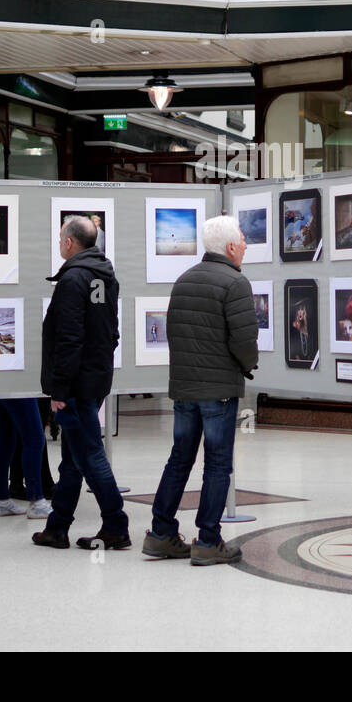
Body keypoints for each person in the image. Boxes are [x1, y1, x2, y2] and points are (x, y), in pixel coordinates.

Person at [143, 216, 258, 566]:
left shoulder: (184, 280)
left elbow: (174, 334)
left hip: (184, 389)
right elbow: (243, 339)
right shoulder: (235, 283)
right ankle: (208, 539)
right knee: (218, 464)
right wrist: (246, 365)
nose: (246, 246)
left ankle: (161, 533)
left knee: (179, 459)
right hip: (219, 389)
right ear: (230, 247)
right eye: (242, 240)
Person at [31, 216, 128, 551]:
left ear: (70, 243)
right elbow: (110, 334)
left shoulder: (73, 279)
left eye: (61, 239)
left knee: (90, 455)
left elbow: (69, 339)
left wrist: (60, 389)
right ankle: (57, 528)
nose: (59, 244)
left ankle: (116, 524)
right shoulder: (106, 277)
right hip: (95, 381)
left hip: (75, 387)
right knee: (72, 460)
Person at [0, 399, 51, 518]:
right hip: (19, 386)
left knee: (5, 437)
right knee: (35, 438)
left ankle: (1, 499)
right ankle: (36, 501)